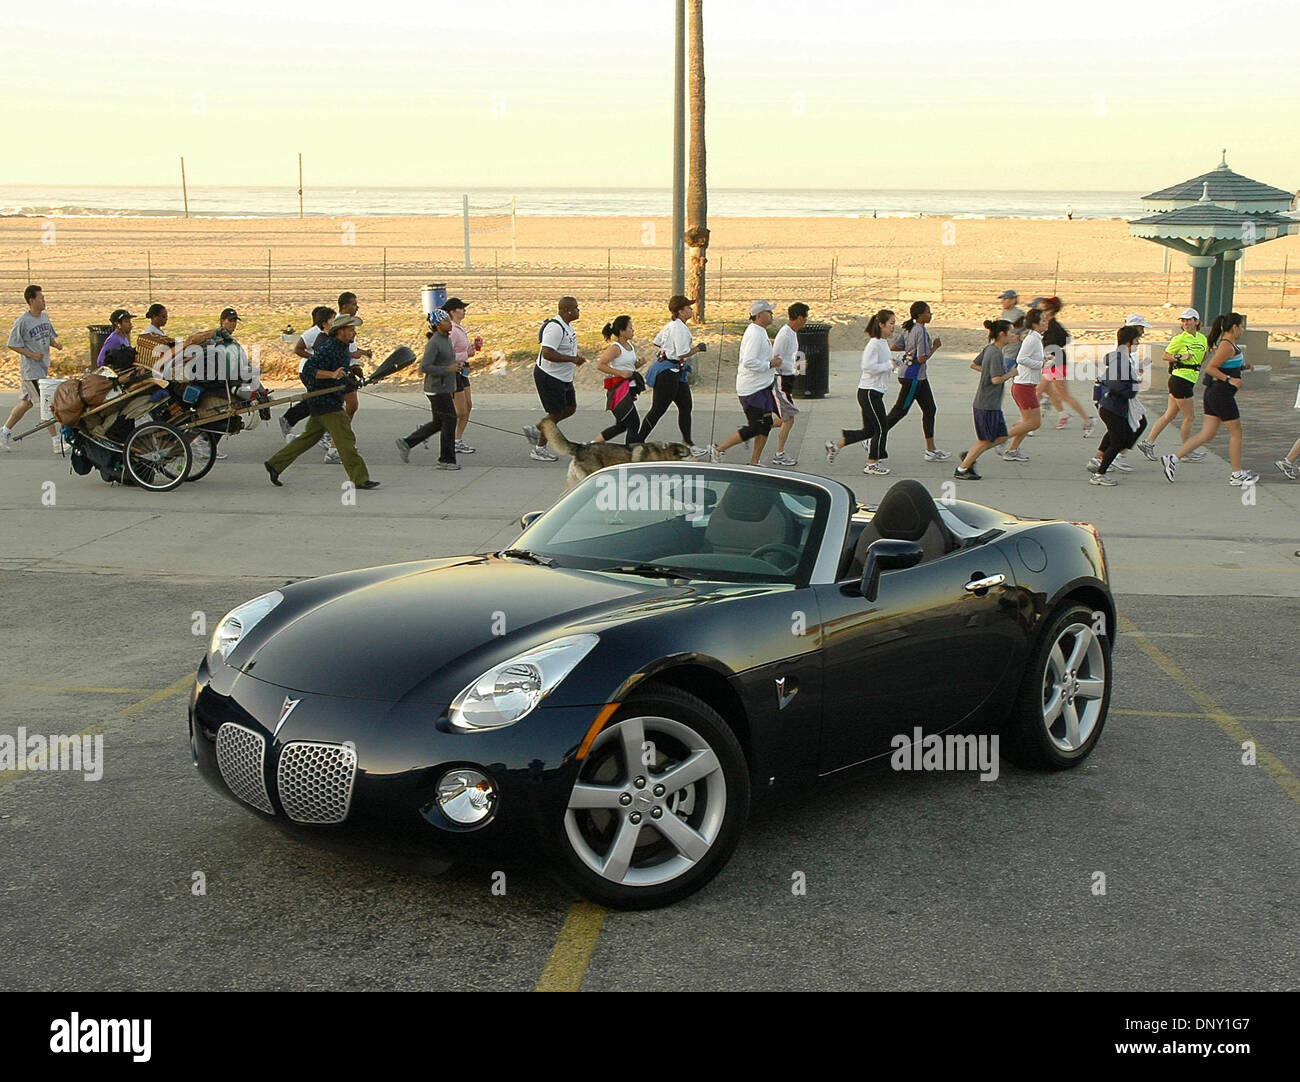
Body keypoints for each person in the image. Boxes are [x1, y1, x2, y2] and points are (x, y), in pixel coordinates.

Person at [264, 314, 378, 489]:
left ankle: (275, 464)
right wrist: (331, 375)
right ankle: (360, 478)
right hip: (325, 401)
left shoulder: (342, 348)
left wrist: (353, 375)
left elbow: (339, 370)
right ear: (340, 331)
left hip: (325, 400)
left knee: (308, 438)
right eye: (351, 329)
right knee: (345, 438)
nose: (354, 332)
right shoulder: (330, 348)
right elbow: (310, 368)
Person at [1161, 313, 1259, 486]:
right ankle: (1237, 474)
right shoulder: (1226, 345)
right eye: (1242, 326)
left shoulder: (1229, 345)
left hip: (1216, 394)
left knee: (1208, 433)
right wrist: (1230, 380)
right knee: (1236, 432)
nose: (1243, 330)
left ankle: (1173, 459)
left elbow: (1227, 365)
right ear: (1234, 327)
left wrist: (1244, 367)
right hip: (1221, 394)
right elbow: (1211, 369)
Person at [707, 300, 781, 465]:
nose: (772, 315)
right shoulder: (755, 334)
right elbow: (748, 361)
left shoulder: (760, 331)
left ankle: (754, 461)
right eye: (769, 312)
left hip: (763, 386)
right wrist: (770, 364)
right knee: (756, 427)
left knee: (766, 424)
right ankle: (718, 449)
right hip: (752, 389)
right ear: (759, 316)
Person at [824, 308, 895, 475]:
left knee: (869, 431)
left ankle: (836, 446)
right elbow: (867, 366)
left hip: (874, 392)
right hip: (869, 392)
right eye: (891, 323)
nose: (893, 327)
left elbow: (883, 365)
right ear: (881, 324)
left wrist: (894, 364)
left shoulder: (883, 343)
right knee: (881, 428)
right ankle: (872, 464)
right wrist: (889, 365)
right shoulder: (875, 343)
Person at [1138, 307, 1209, 463]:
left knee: (1169, 415)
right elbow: (1165, 356)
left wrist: (1199, 360)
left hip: (1190, 378)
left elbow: (1203, 356)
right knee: (1190, 417)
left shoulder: (1203, 339)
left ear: (1197, 322)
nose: (1185, 323)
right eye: (1183, 320)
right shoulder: (1179, 339)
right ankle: (1186, 451)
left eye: (1189, 320)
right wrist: (1180, 356)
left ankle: (1148, 442)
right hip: (1180, 379)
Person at [639, 295, 706, 455]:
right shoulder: (681, 329)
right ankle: (636, 442)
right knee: (658, 410)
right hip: (668, 374)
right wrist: (698, 348)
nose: (691, 310)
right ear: (680, 311)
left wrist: (668, 348)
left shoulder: (671, 325)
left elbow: (657, 341)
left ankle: (688, 443)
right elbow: (683, 352)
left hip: (674, 371)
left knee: (685, 406)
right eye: (688, 308)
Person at [884, 300, 949, 460]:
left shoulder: (909, 327)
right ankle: (872, 436)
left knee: (930, 409)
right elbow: (921, 358)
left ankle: (931, 449)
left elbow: (894, 346)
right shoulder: (920, 331)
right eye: (928, 312)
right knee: (900, 411)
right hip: (912, 377)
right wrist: (935, 347)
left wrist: (909, 351)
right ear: (921, 315)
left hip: (918, 376)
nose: (930, 315)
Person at [395, 309, 460, 470]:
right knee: (450, 420)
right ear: (438, 325)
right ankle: (446, 459)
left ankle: (407, 442)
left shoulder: (446, 339)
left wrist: (456, 367)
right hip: (437, 389)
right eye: (445, 321)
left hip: (445, 387)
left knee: (439, 422)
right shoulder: (435, 342)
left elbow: (446, 362)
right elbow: (425, 367)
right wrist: (448, 369)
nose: (449, 323)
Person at [1, 285, 63, 452]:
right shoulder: (23, 321)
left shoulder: (44, 317)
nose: (44, 301)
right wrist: (31, 354)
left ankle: (4, 431)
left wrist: (55, 344)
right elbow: (12, 344)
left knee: (26, 403)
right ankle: (56, 441)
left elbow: (48, 335)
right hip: (31, 370)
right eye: (41, 298)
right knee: (47, 403)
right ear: (31, 301)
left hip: (43, 367)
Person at [954, 320, 1016, 480]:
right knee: (985, 440)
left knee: (1002, 436)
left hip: (991, 404)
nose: (1013, 335)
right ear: (1002, 334)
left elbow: (974, 365)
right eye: (1011, 332)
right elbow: (996, 379)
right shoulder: (995, 353)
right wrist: (1012, 373)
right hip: (986, 404)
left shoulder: (990, 348)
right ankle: (962, 469)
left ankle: (971, 455)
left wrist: (987, 372)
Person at [1085, 325, 1146, 486]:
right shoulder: (1121, 360)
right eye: (1136, 340)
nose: (1138, 343)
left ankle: (1100, 463)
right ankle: (1099, 473)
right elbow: (1116, 384)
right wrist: (1133, 387)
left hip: (1111, 405)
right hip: (1113, 406)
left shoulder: (1119, 358)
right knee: (1118, 440)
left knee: (1121, 436)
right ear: (1128, 342)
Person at [526, 296, 584, 462]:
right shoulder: (555, 328)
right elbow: (547, 353)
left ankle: (538, 429)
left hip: (563, 377)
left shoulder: (568, 327)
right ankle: (539, 448)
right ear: (567, 310)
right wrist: (572, 359)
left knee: (570, 408)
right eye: (576, 307)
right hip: (549, 376)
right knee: (555, 412)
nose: (579, 310)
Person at [1038, 297, 1094, 435]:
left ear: (1050, 311)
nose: (1041, 312)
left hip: (1056, 362)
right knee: (1046, 391)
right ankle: (1063, 415)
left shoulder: (1053, 326)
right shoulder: (1049, 324)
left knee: (1059, 394)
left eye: (1043, 309)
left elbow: (1064, 339)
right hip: (1051, 361)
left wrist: (1052, 351)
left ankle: (1087, 420)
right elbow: (1066, 338)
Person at [280, 306, 335, 442]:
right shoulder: (314, 333)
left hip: (319, 370)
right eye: (332, 318)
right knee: (318, 399)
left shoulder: (331, 333)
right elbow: (298, 349)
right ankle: (319, 433)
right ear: (323, 321)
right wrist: (314, 358)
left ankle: (291, 420)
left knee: (317, 399)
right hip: (308, 371)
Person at [1001, 307, 1047, 462]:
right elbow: (1021, 359)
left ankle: (1012, 450)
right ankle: (1000, 438)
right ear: (1035, 324)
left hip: (1027, 386)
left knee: (1027, 423)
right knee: (1034, 423)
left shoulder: (1036, 339)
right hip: (1023, 387)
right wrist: (1040, 364)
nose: (1046, 322)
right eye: (1043, 320)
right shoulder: (1032, 339)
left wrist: (1045, 360)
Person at [593, 316, 645, 445]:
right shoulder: (615, 348)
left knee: (622, 425)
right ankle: (630, 453)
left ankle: (593, 444)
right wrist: (620, 373)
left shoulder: (630, 346)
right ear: (622, 331)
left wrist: (639, 364)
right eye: (630, 328)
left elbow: (629, 367)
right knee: (634, 422)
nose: (633, 330)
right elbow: (601, 365)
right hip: (619, 391)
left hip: (630, 389)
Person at [769, 302, 807, 466]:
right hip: (780, 380)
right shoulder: (785, 334)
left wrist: (797, 368)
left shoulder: (792, 333)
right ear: (798, 318)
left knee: (781, 420)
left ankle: (753, 429)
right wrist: (792, 368)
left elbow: (790, 357)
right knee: (789, 419)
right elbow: (776, 358)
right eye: (805, 317)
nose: (806, 320)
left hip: (787, 379)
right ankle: (779, 453)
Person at [444, 298, 479, 455]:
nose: (464, 310)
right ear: (452, 311)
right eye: (461, 308)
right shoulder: (451, 330)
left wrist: (471, 349)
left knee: (468, 406)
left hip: (462, 370)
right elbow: (447, 355)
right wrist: (467, 353)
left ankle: (457, 439)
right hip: (453, 372)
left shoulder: (459, 328)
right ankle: (448, 436)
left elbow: (461, 351)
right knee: (460, 410)